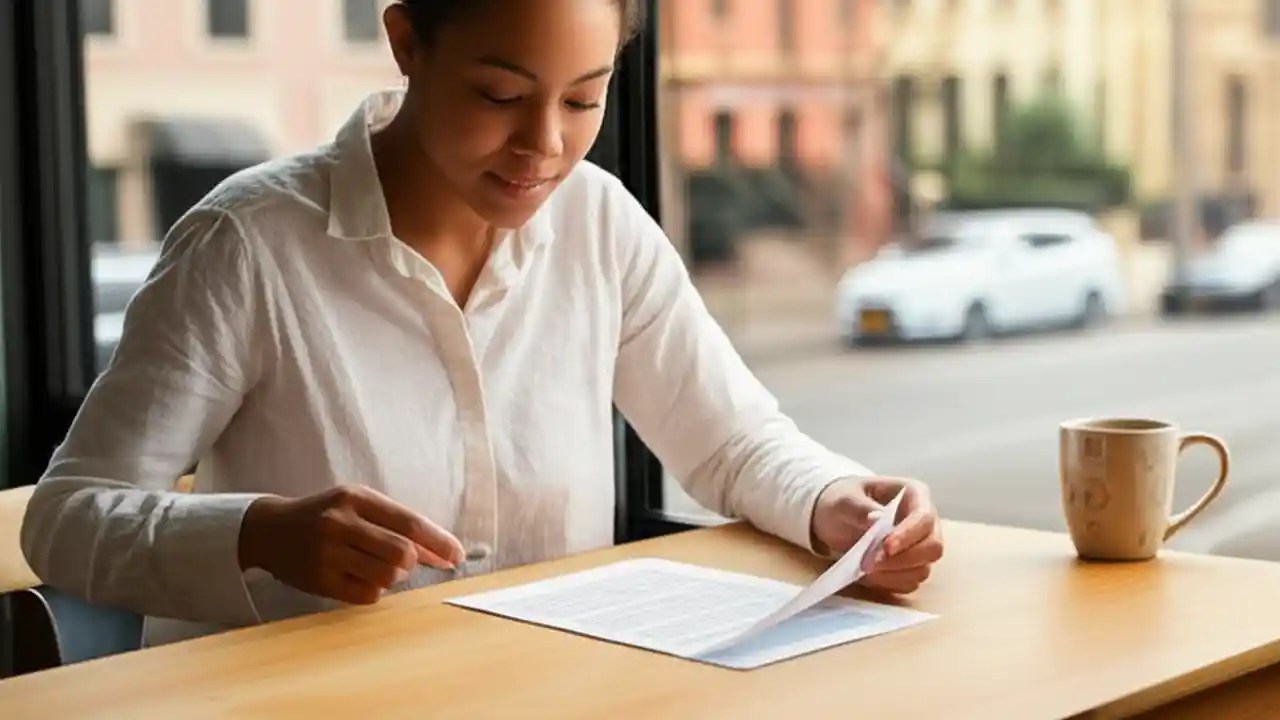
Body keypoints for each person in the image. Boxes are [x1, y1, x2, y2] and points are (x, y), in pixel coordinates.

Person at [21, 0, 943, 647]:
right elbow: (66, 521)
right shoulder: (248, 244)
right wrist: (256, 534)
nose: (545, 145)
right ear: (407, 42)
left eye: (584, 98)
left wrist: (838, 505)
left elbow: (734, 443)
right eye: (500, 95)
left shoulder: (599, 220)